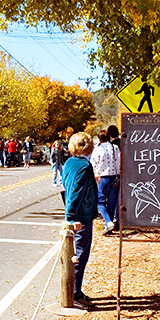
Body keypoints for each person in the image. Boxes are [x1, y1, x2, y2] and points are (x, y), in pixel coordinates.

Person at [61, 131, 98, 310]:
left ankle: (75, 290)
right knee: (81, 254)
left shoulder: (69, 162)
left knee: (74, 254)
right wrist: (73, 216)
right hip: (81, 215)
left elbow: (66, 185)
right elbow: (76, 191)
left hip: (76, 213)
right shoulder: (85, 166)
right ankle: (74, 293)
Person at [91, 130, 121, 234]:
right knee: (111, 203)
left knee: (100, 202)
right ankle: (108, 228)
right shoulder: (115, 148)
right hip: (116, 176)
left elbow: (94, 163)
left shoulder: (98, 149)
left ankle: (108, 222)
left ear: (100, 139)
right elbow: (119, 161)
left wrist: (95, 173)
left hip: (103, 177)